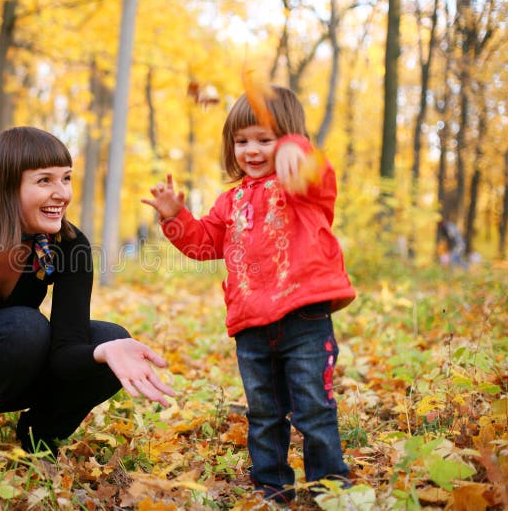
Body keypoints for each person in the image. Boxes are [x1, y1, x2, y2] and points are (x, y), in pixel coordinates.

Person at [0, 126, 174, 462]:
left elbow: (67, 351)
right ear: (6, 186)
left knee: (110, 338)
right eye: (44, 180)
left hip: (19, 365)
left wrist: (105, 352)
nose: (62, 193)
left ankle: (39, 437)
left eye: (66, 178)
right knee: (25, 325)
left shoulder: (69, 245)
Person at [142, 86, 355, 502]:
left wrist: (296, 148)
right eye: (242, 141)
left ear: (290, 138)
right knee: (263, 412)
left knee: (313, 408)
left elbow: (319, 173)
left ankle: (330, 489)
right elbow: (205, 243)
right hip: (251, 326)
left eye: (265, 139)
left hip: (303, 316)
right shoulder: (231, 200)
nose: (252, 151)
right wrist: (175, 217)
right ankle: (272, 488)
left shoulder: (301, 185)